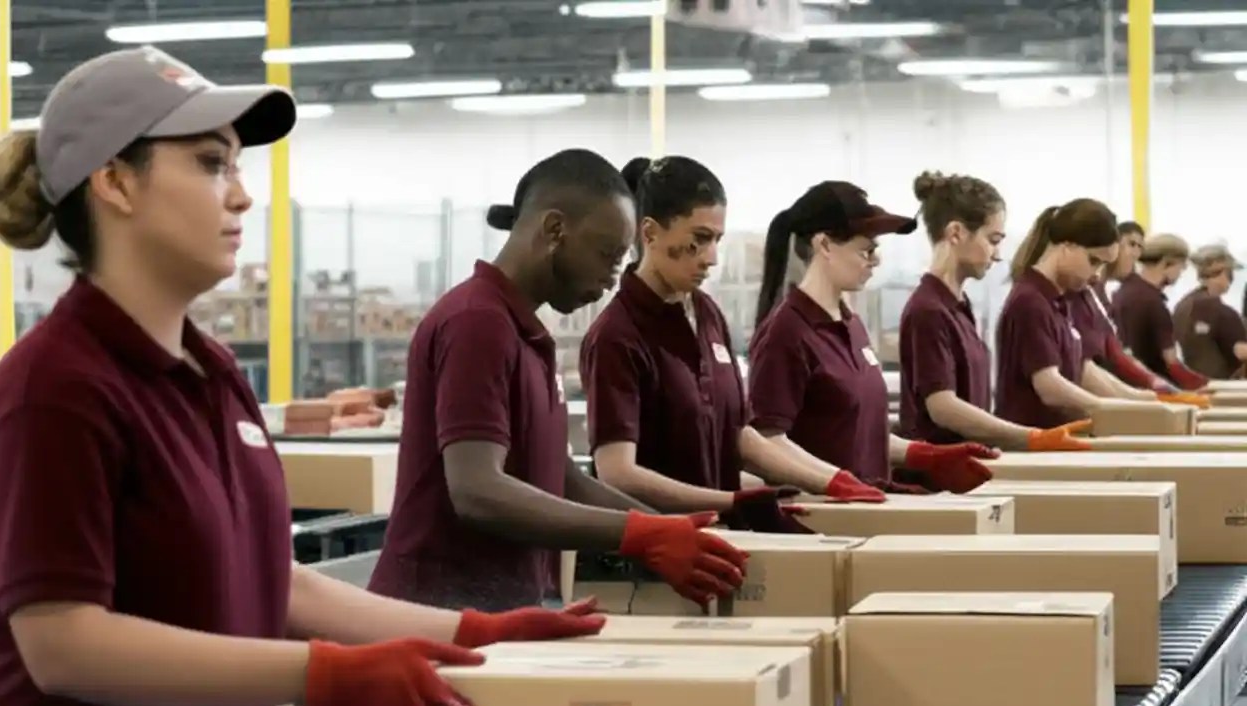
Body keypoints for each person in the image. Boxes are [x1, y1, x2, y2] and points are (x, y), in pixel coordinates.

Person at [0, 48, 609, 706]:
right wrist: (321, 674)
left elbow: (270, 582)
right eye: (212, 165)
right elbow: (66, 644)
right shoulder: (54, 391)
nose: (242, 194)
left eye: (237, 166)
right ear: (116, 183)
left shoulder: (212, 376)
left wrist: (466, 634)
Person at [368, 149, 749, 614]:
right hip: (437, 612)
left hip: (500, 607)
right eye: (609, 254)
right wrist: (638, 535)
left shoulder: (526, 332)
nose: (614, 277)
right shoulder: (476, 322)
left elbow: (560, 477)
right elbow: (476, 490)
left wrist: (663, 527)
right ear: (554, 231)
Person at [579, 157, 881, 528]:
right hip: (658, 556)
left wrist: (830, 481)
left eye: (717, 240)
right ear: (650, 232)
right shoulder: (617, 336)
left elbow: (737, 435)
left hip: (720, 538)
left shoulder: (706, 314)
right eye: (699, 239)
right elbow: (617, 473)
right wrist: (731, 501)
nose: (712, 258)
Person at [749, 181, 998, 495]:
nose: (876, 260)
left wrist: (925, 455)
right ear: (824, 245)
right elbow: (767, 441)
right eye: (867, 250)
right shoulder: (786, 334)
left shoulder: (852, 325)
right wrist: (835, 483)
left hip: (866, 509)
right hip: (821, 521)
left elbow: (863, 432)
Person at [899, 171, 1090, 452]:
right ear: (956, 233)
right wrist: (1030, 437)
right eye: (993, 239)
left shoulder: (959, 307)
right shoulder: (928, 310)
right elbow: (943, 407)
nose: (998, 254)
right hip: (938, 478)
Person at [995, 200, 1165, 429]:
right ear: (1067, 246)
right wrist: (1108, 407)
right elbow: (1049, 386)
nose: (1096, 275)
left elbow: (1082, 369)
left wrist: (1135, 398)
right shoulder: (1030, 302)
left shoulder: (1061, 301)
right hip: (1032, 440)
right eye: (1093, 261)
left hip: (1059, 436)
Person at [1084, 220, 1182, 394]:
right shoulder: (1089, 293)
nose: (1136, 254)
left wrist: (1152, 382)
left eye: (1140, 247)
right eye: (1131, 244)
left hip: (1120, 389)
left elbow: (1118, 351)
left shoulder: (1113, 293)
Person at [1112, 233, 1209, 390]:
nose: (1180, 274)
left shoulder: (1123, 292)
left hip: (1125, 387)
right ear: (1167, 263)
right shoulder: (1154, 304)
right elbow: (1171, 363)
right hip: (1156, 391)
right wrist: (1206, 385)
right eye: (1181, 267)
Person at [1174, 245, 1247, 379]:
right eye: (1230, 273)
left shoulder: (1182, 307)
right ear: (1223, 272)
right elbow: (1240, 352)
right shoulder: (1222, 312)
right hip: (1221, 388)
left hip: (1190, 383)